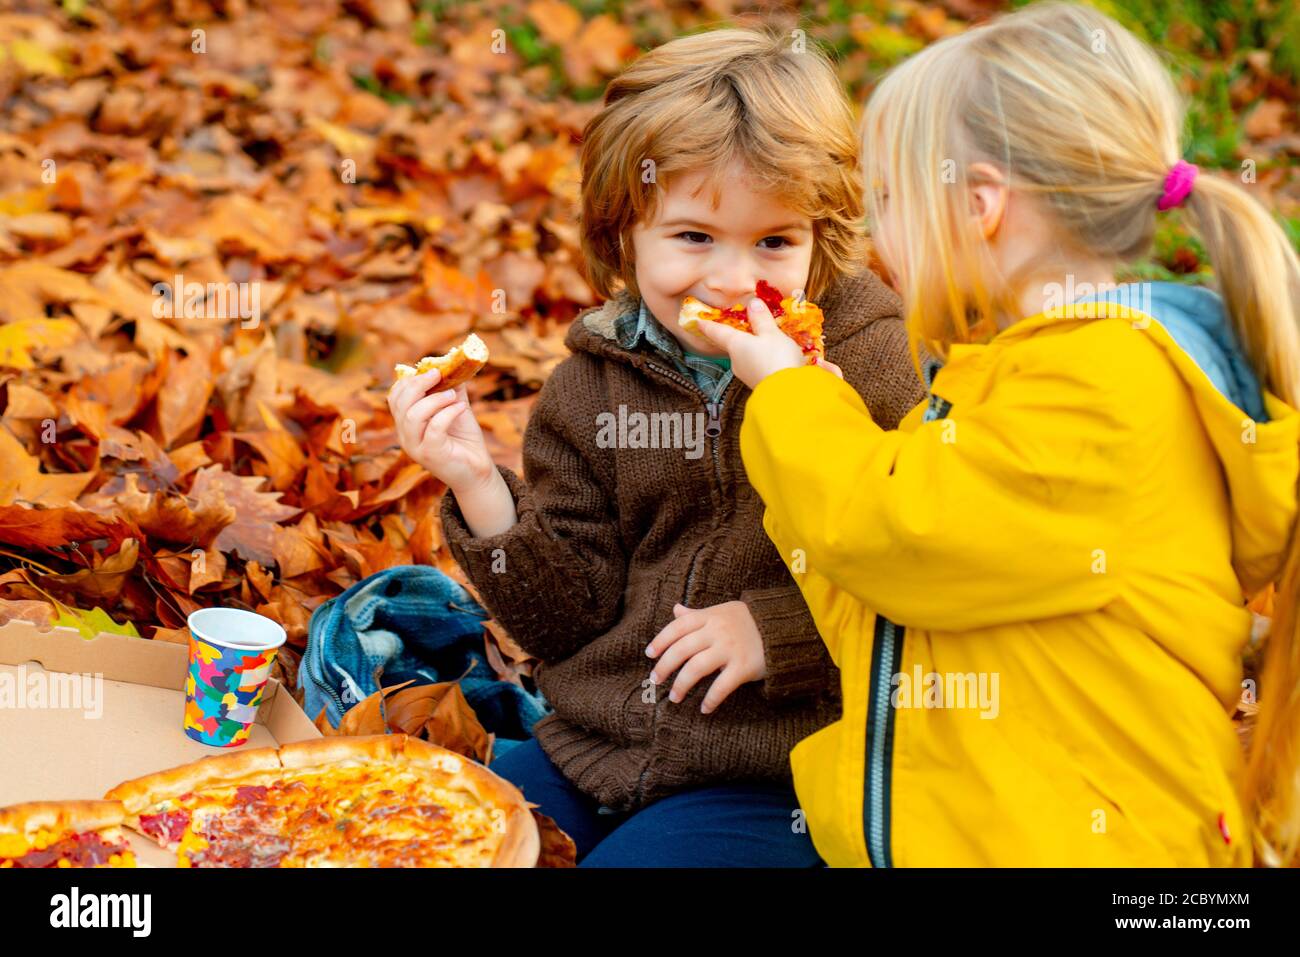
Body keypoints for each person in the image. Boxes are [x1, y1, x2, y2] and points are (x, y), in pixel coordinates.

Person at [697, 2, 1300, 866]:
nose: (877, 242)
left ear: (980, 205)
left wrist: (794, 402)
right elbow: (892, 595)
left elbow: (895, 532)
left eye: (892, 203)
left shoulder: (1103, 388)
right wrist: (816, 432)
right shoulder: (1010, 378)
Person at [387, 27, 926, 866]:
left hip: (781, 772)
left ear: (823, 235)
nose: (734, 280)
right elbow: (566, 622)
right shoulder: (592, 387)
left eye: (774, 241)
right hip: (598, 746)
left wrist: (776, 631)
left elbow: (919, 561)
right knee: (436, 839)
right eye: (694, 238)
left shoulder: (867, 361)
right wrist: (477, 488)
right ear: (623, 233)